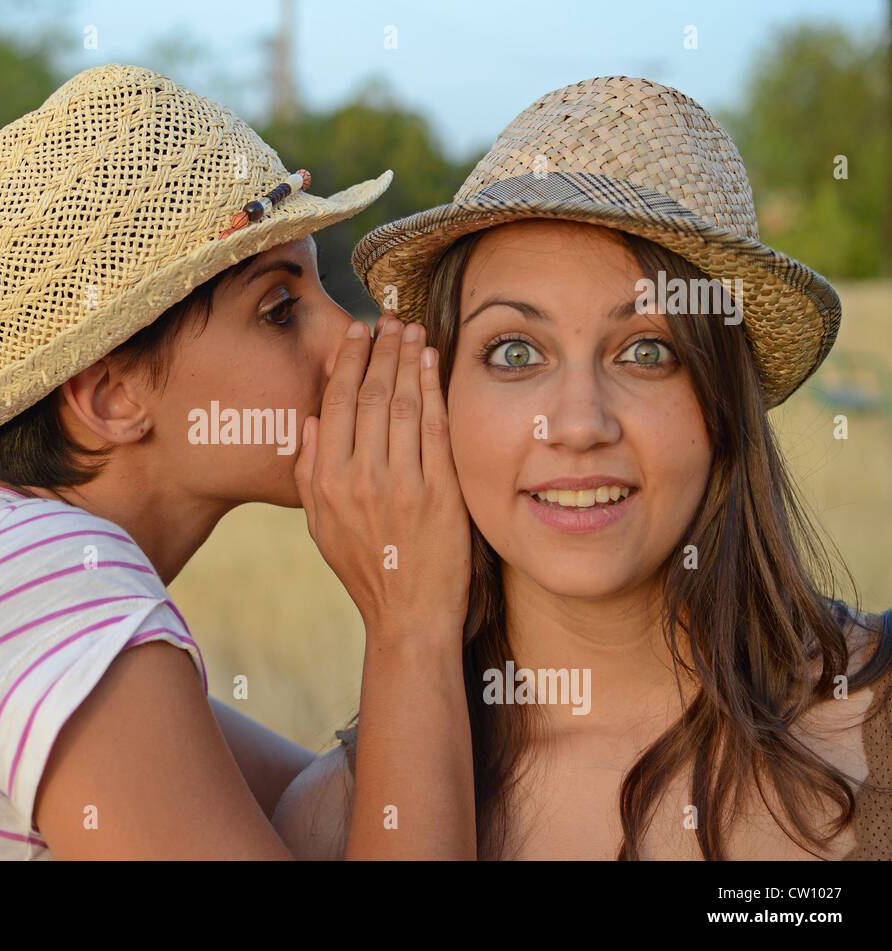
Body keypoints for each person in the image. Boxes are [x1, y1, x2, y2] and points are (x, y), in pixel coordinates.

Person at [0, 63, 475, 860]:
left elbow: (333, 821)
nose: (348, 337)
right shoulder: (39, 580)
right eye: (280, 309)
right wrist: (409, 624)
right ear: (113, 396)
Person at [273, 76, 892, 860]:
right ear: (436, 398)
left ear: (723, 404)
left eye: (646, 351)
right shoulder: (339, 823)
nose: (577, 425)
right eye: (515, 353)